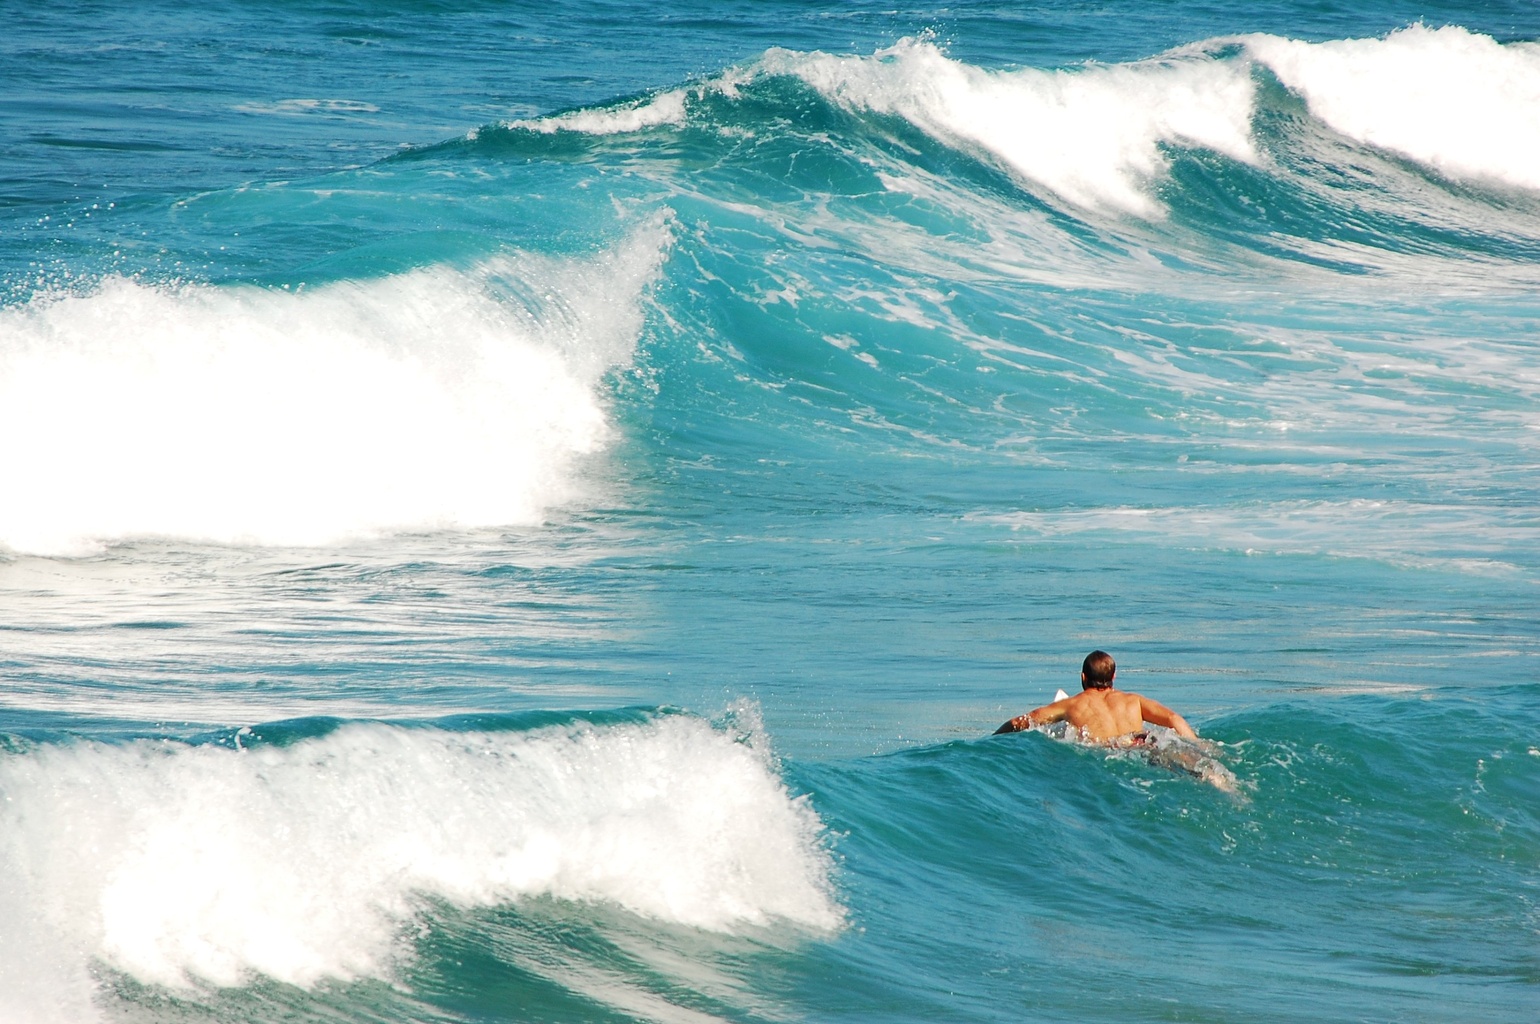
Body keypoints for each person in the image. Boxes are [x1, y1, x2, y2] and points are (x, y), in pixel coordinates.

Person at [994, 650, 1197, 745]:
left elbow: (1020, 722)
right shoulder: (1134, 701)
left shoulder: (1070, 705)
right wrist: (1197, 744)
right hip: (1143, 745)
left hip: (1109, 752)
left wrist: (990, 741)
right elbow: (1173, 719)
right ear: (1113, 677)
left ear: (1083, 677)